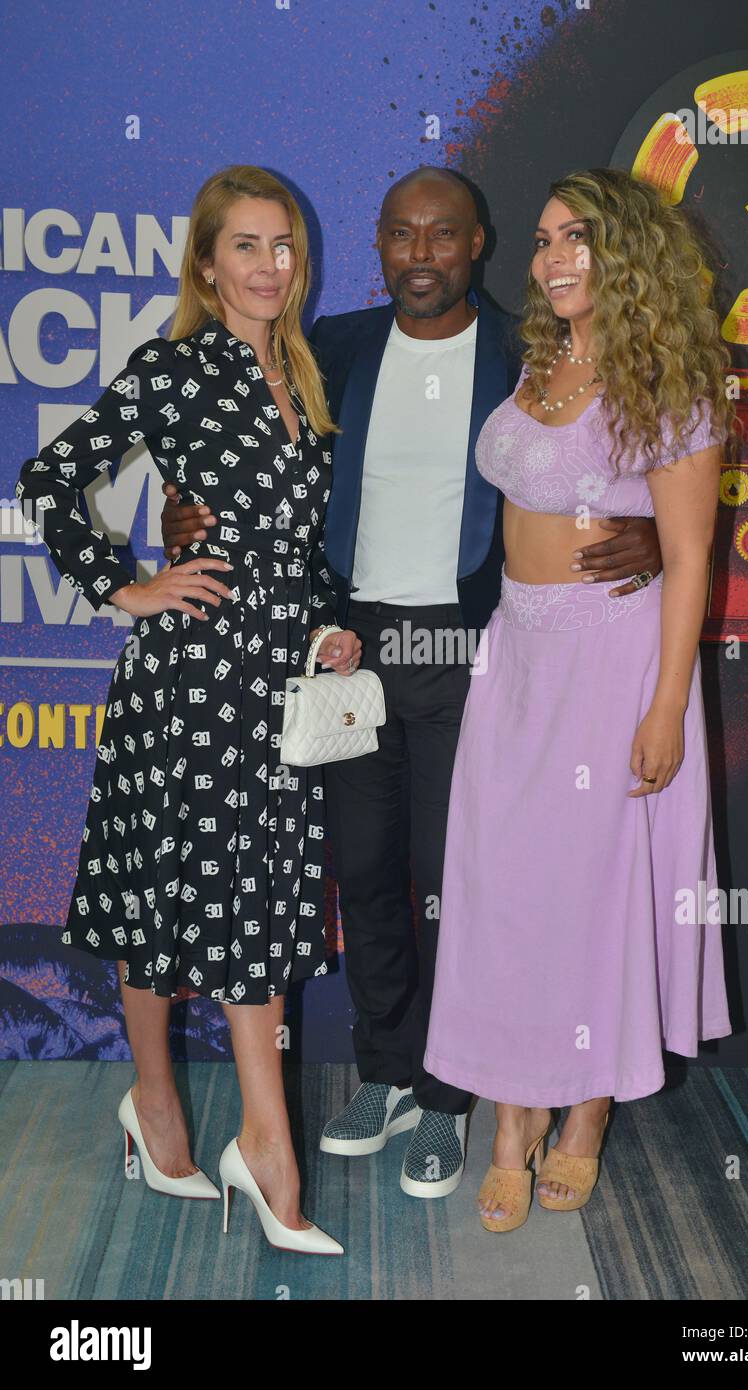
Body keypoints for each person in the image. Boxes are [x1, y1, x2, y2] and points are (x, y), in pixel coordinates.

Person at [160, 165, 663, 1199]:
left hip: (480, 650)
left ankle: (449, 1092)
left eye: (443, 237)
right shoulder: (329, 349)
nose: (420, 256)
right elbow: (235, 444)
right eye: (400, 236)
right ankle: (390, 1071)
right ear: (378, 244)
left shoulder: (532, 350)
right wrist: (182, 507)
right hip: (347, 651)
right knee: (369, 872)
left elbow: (621, 440)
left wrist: (653, 527)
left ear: (479, 246)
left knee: (458, 885)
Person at [16, 164, 360, 1256]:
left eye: (286, 247)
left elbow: (293, 553)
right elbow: (49, 477)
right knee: (148, 890)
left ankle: (246, 1141)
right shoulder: (174, 370)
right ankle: (181, 1113)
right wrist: (123, 584)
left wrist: (324, 622)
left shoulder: (304, 378)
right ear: (207, 267)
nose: (270, 267)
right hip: (189, 676)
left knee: (246, 895)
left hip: (275, 675)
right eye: (248, 247)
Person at [423, 168, 735, 1232]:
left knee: (595, 893)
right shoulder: (540, 355)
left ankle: (583, 1116)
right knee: (508, 888)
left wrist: (663, 707)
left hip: (614, 665)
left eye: (580, 240)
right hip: (515, 657)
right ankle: (510, 1115)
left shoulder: (674, 382)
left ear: (631, 254)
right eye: (547, 238)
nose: (553, 258)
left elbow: (689, 558)